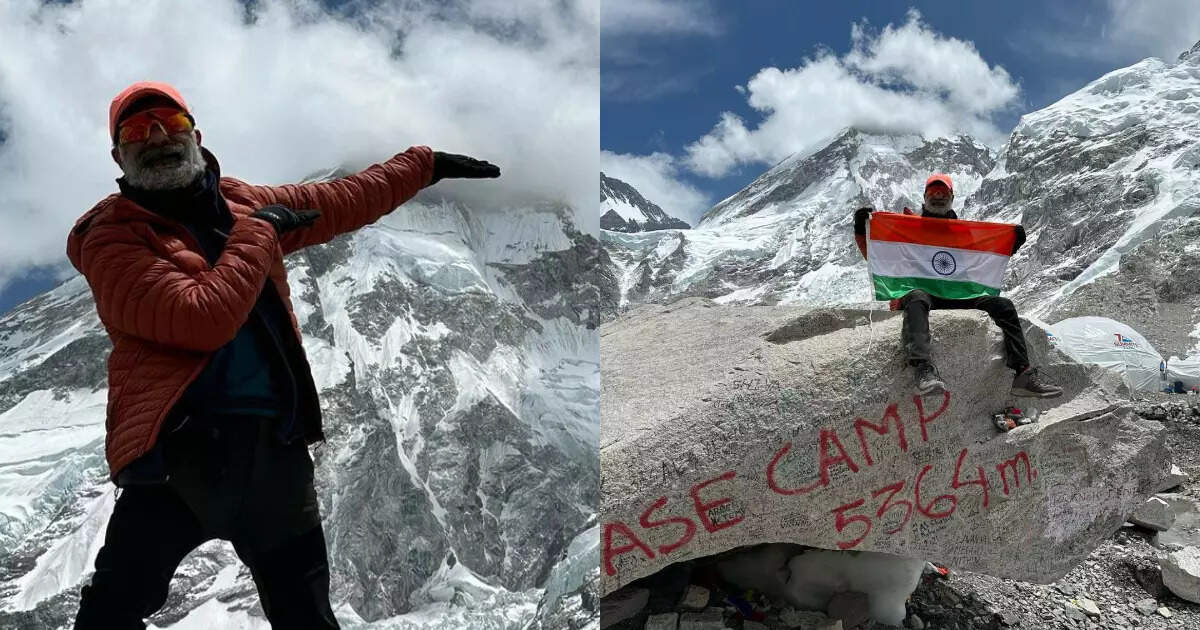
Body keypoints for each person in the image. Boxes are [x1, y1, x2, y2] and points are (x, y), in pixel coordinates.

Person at [66, 81, 500, 629]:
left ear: (195, 136)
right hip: (178, 461)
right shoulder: (109, 237)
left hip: (274, 454)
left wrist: (423, 164)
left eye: (169, 124)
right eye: (136, 131)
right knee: (113, 610)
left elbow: (341, 199)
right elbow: (200, 319)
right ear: (119, 157)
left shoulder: (241, 204)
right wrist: (258, 233)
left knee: (306, 617)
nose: (156, 138)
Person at [852, 173, 1063, 399]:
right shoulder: (908, 228)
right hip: (922, 294)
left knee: (1003, 305)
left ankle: (1022, 374)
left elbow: (982, 262)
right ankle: (923, 369)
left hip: (956, 295)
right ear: (924, 197)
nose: (938, 197)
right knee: (916, 297)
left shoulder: (962, 233)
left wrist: (1010, 245)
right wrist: (861, 229)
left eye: (943, 193)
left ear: (952, 197)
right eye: (933, 193)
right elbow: (880, 256)